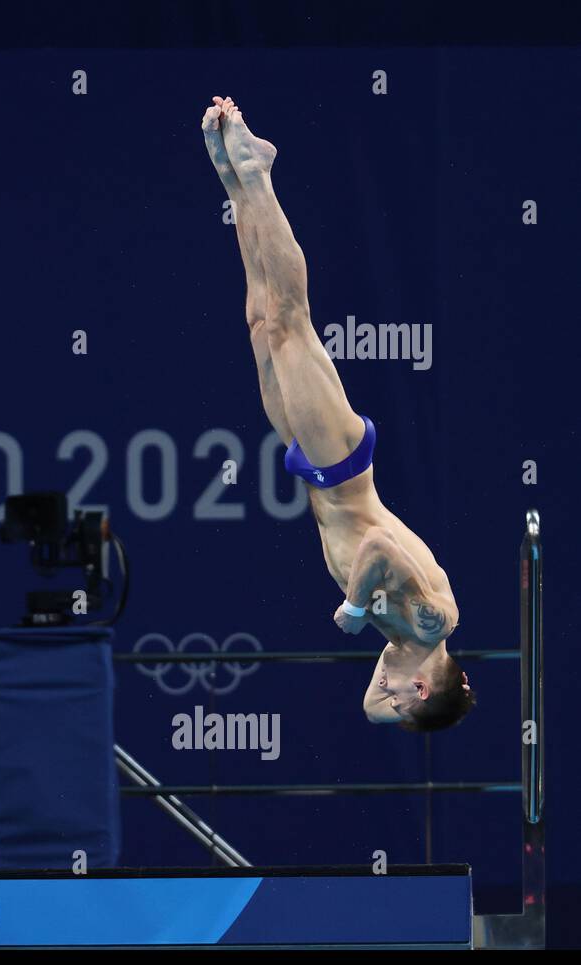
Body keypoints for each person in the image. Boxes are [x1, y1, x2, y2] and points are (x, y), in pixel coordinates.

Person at [202, 97, 473, 731]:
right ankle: (259, 170)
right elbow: (377, 543)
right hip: (341, 465)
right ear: (423, 690)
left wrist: (406, 669)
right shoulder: (431, 623)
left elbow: (373, 710)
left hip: (316, 471)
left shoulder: (404, 645)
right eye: (409, 705)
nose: (392, 702)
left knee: (262, 324)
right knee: (292, 321)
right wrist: (355, 605)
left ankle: (234, 185)